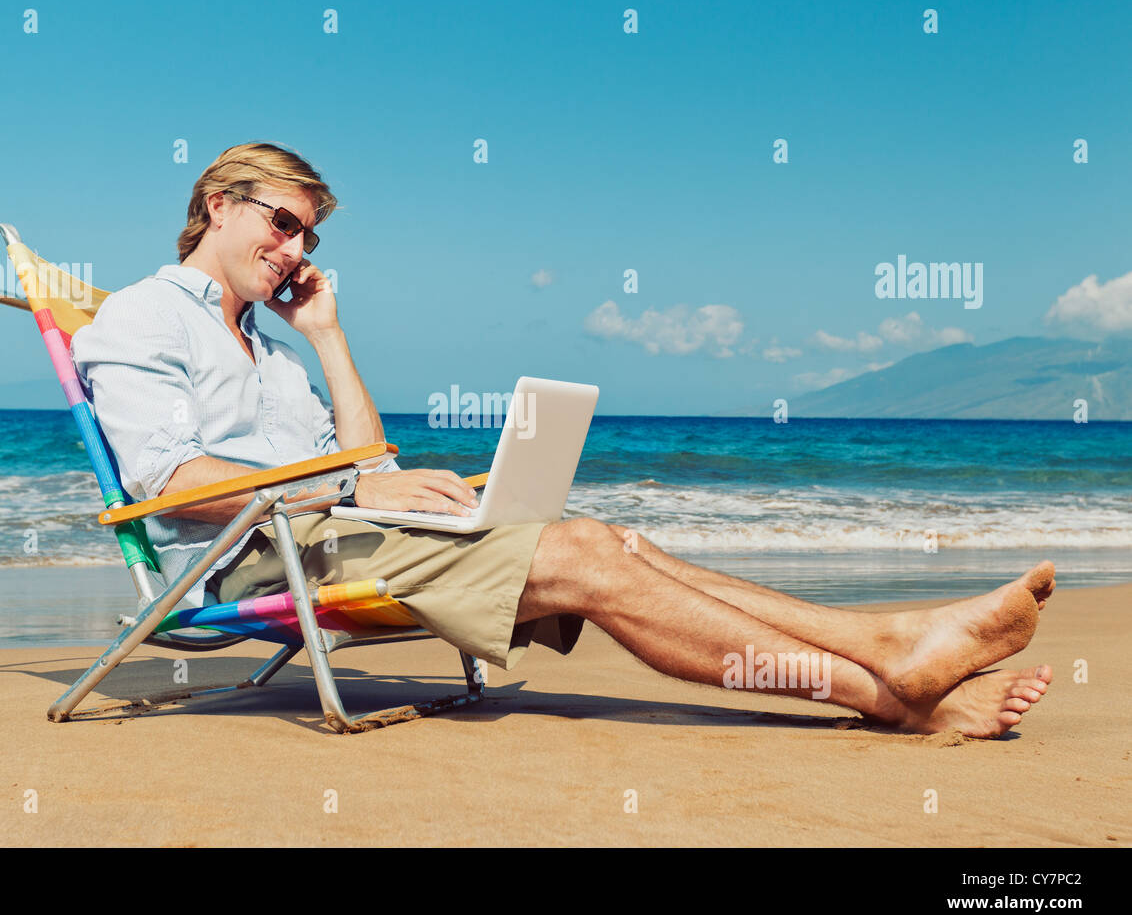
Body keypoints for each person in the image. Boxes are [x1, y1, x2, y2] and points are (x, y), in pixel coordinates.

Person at [72, 142, 1056, 739]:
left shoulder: (273, 349)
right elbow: (177, 483)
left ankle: (902, 686)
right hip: (259, 566)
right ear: (216, 204)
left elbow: (363, 462)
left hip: (330, 531)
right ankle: (892, 661)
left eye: (309, 239)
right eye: (282, 225)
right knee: (581, 553)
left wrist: (327, 338)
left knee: (607, 541)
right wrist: (346, 495)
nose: (294, 251)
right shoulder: (142, 317)